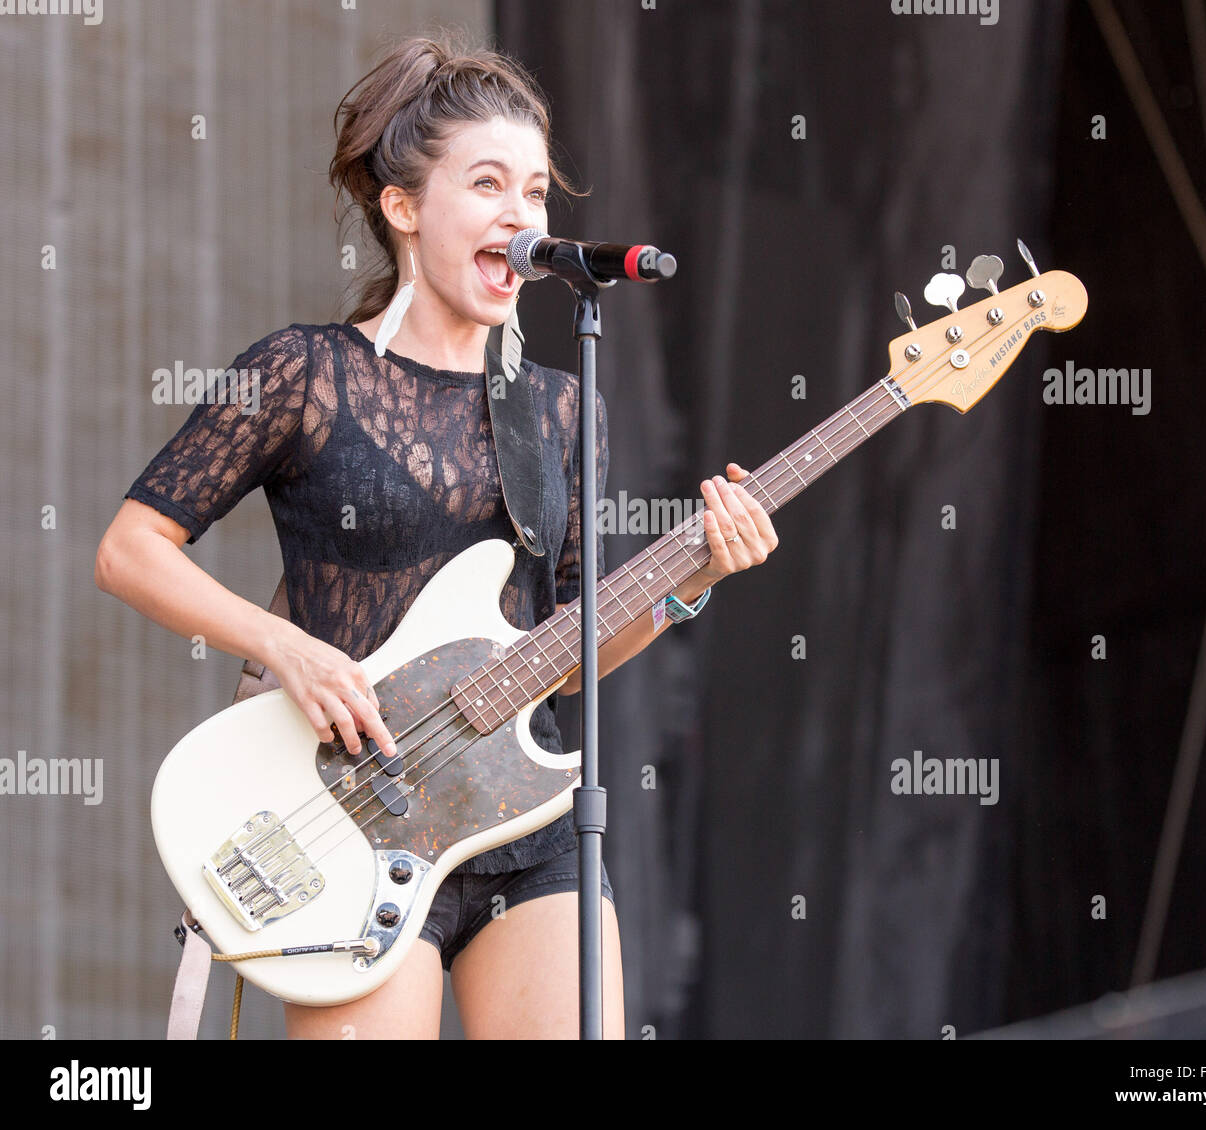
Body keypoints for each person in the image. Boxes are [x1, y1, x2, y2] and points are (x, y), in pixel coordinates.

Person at [94, 33, 778, 1040]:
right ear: (403, 206)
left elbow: (577, 651)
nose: (521, 216)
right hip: (352, 822)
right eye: (489, 183)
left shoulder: (555, 406)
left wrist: (689, 579)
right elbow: (128, 548)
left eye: (537, 192)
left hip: (525, 825)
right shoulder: (304, 373)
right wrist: (282, 643)